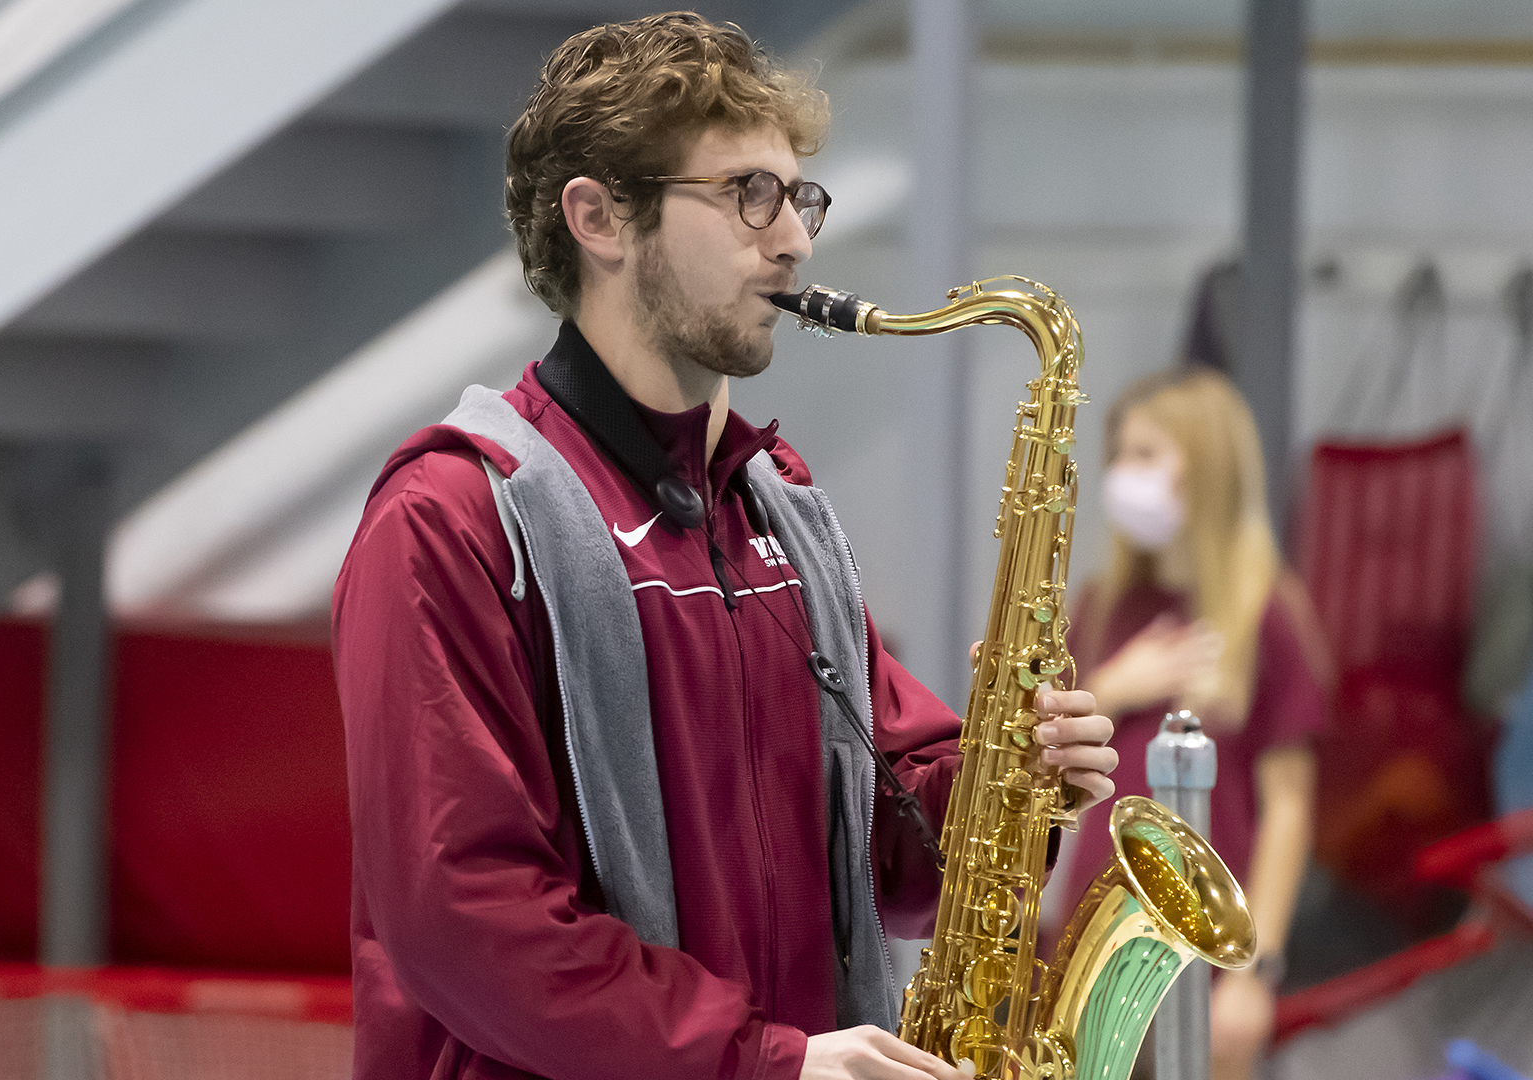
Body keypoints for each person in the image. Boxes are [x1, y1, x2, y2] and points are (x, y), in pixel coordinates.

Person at [331, 14, 1121, 1080]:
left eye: (800, 198)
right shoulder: (452, 518)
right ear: (601, 217)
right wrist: (765, 1064)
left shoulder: (778, 511)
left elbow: (881, 841)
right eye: (748, 195)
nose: (793, 239)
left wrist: (1011, 785)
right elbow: (466, 922)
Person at [1062, 367, 1329, 1080]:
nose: (1123, 475)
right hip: (1096, 949)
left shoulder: (1264, 614)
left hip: (1207, 957)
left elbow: (1289, 808)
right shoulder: (1100, 606)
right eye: (1118, 454)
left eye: (1147, 455)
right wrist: (1113, 687)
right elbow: (1049, 766)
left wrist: (1254, 971)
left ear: (1206, 467)